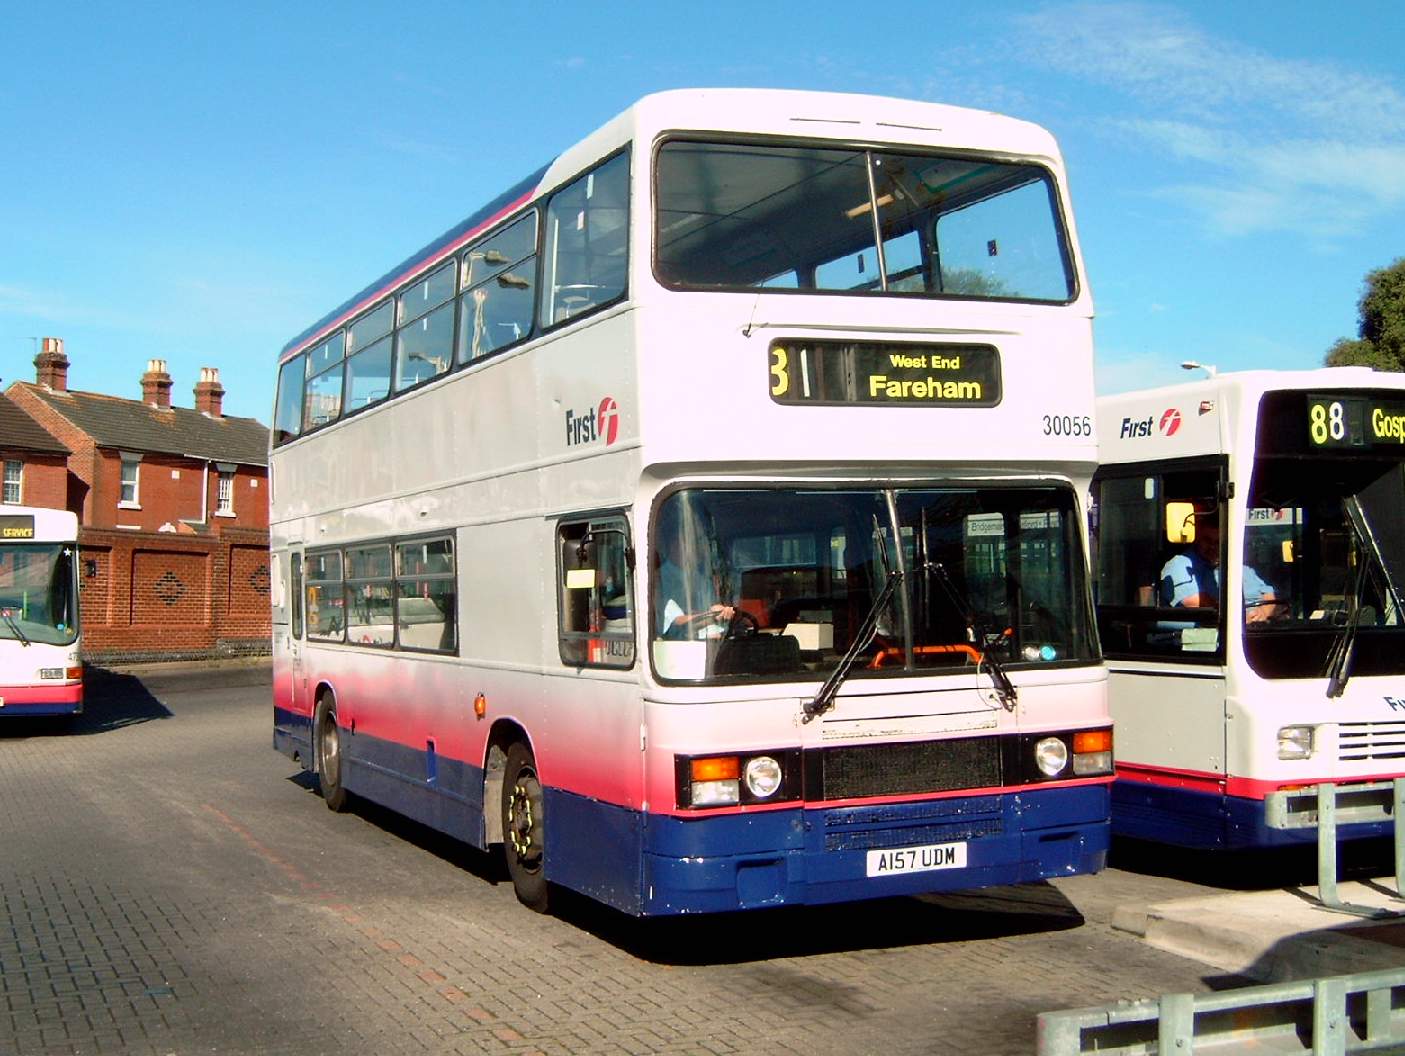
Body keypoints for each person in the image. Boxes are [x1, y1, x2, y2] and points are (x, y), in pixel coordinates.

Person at [1159, 503, 1281, 623]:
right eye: (1207, 540)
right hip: (1214, 634)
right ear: (1197, 538)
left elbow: (1269, 594)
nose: (1213, 547)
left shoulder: (1240, 566)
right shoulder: (1180, 565)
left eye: (1218, 542)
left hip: (1258, 630)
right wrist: (1240, 619)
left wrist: (1263, 613)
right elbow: (1198, 603)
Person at [654, 511, 734, 638]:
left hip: (711, 643)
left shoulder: (700, 578)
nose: (699, 548)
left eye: (700, 542)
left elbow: (711, 607)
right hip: (678, 647)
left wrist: (723, 610)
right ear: (675, 544)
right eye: (693, 542)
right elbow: (678, 621)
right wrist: (711, 616)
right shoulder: (659, 579)